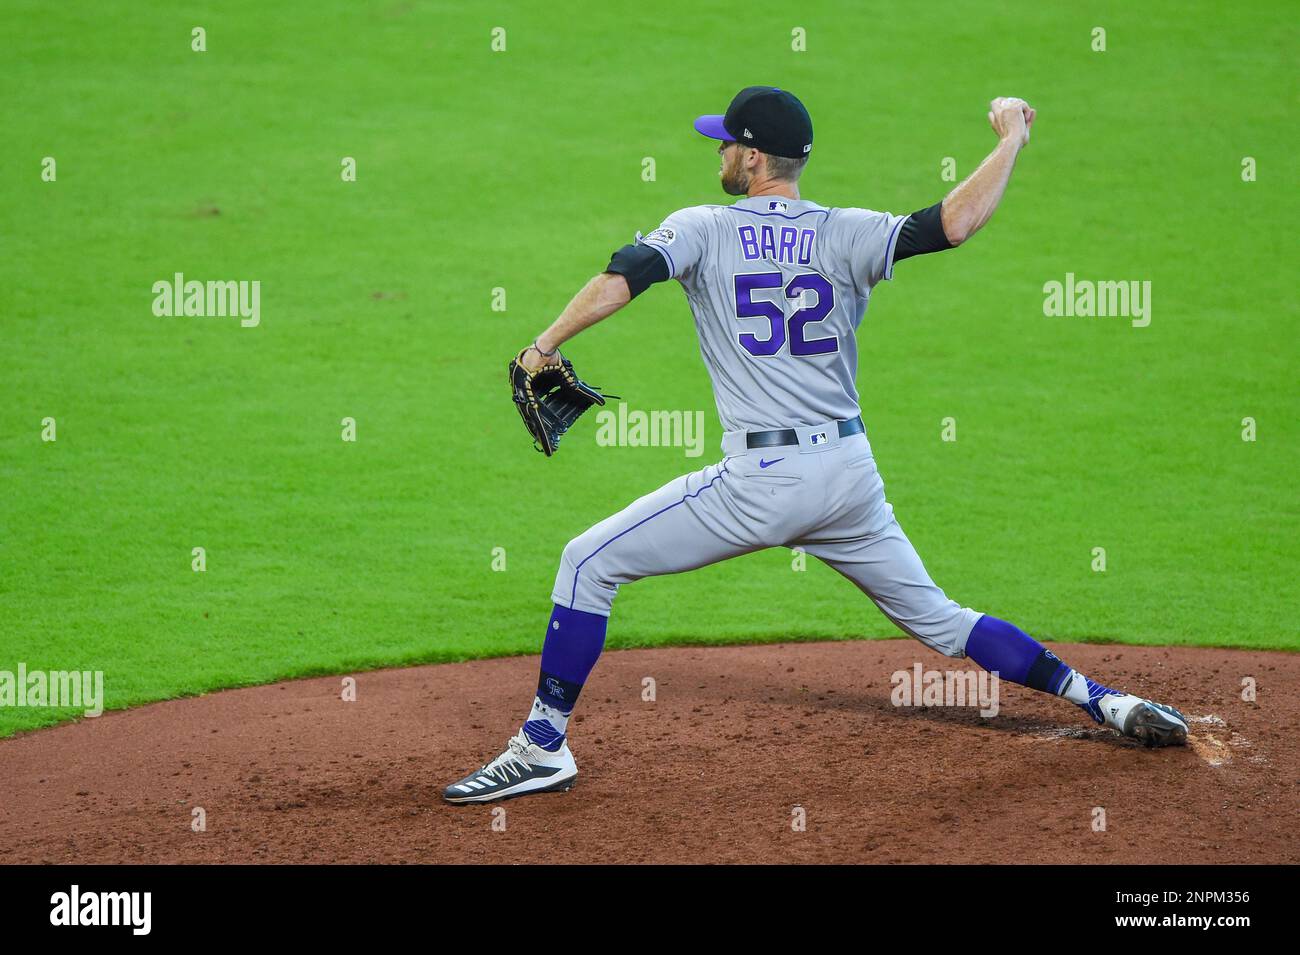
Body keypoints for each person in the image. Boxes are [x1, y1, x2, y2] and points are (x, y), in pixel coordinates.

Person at [444, 86, 1188, 805]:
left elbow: (626, 274)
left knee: (586, 562)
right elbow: (953, 224)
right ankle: (1104, 700)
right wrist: (1012, 139)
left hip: (762, 483)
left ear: (754, 157)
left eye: (727, 141)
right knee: (943, 620)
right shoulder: (847, 229)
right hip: (849, 476)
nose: (720, 150)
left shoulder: (703, 224)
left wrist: (544, 345)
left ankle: (542, 746)